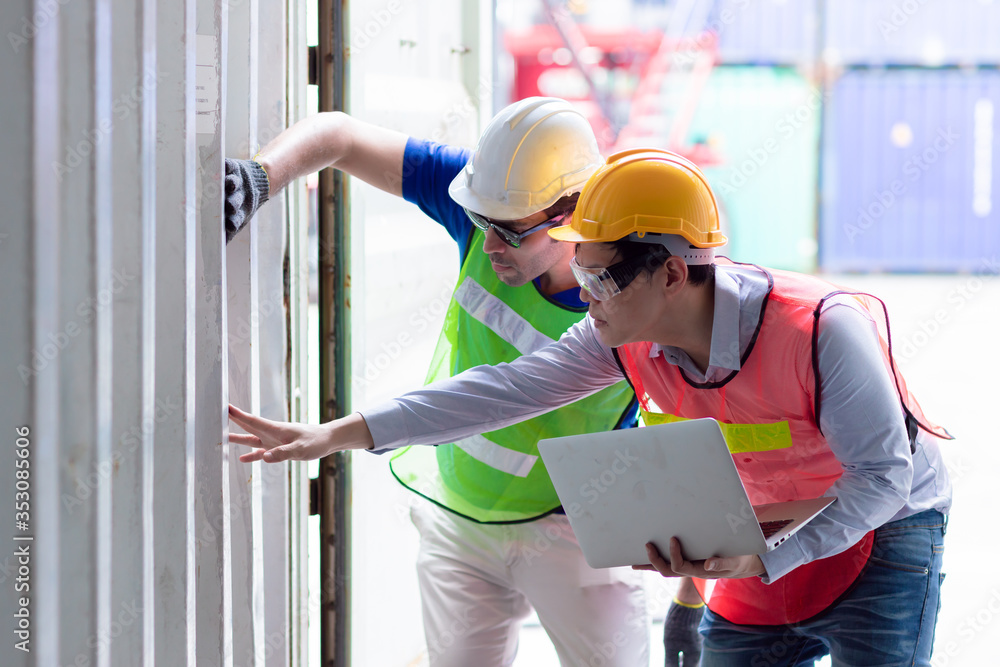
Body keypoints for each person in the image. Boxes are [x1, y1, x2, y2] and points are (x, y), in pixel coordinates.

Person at [228, 147, 954, 666]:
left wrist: (767, 559)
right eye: (581, 270)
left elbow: (882, 480)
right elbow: (504, 390)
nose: (584, 294)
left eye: (600, 279)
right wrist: (341, 432)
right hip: (762, 529)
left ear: (671, 272)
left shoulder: (823, 328)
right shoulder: (620, 335)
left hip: (884, 528)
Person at [224, 98, 684, 666]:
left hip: (577, 531)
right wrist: (260, 178)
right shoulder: (493, 199)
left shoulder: (629, 306)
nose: (487, 245)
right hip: (460, 519)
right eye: (481, 224)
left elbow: (505, 394)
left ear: (570, 215)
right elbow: (339, 135)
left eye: (509, 234)